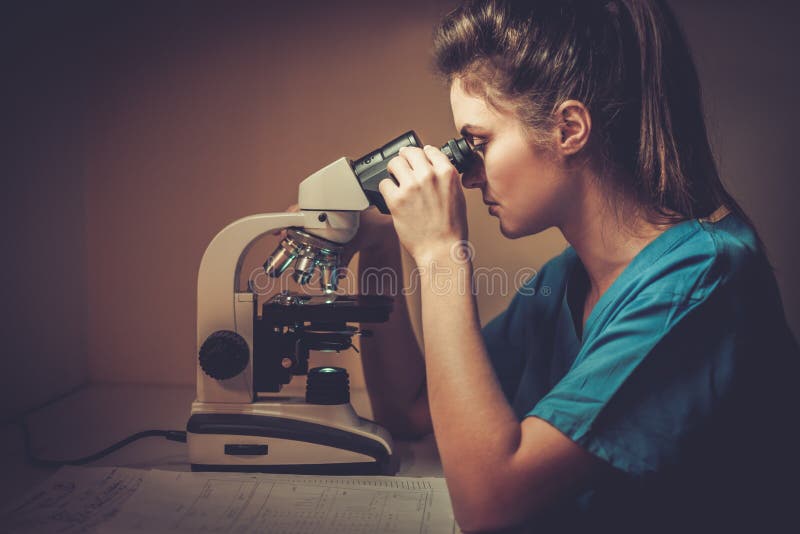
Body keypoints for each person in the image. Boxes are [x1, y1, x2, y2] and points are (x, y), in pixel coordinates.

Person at [337, 0, 800, 532]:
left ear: (569, 128)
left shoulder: (700, 284)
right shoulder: (566, 280)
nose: (466, 174)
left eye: (477, 143)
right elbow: (413, 413)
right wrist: (377, 249)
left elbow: (489, 503)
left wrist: (441, 253)